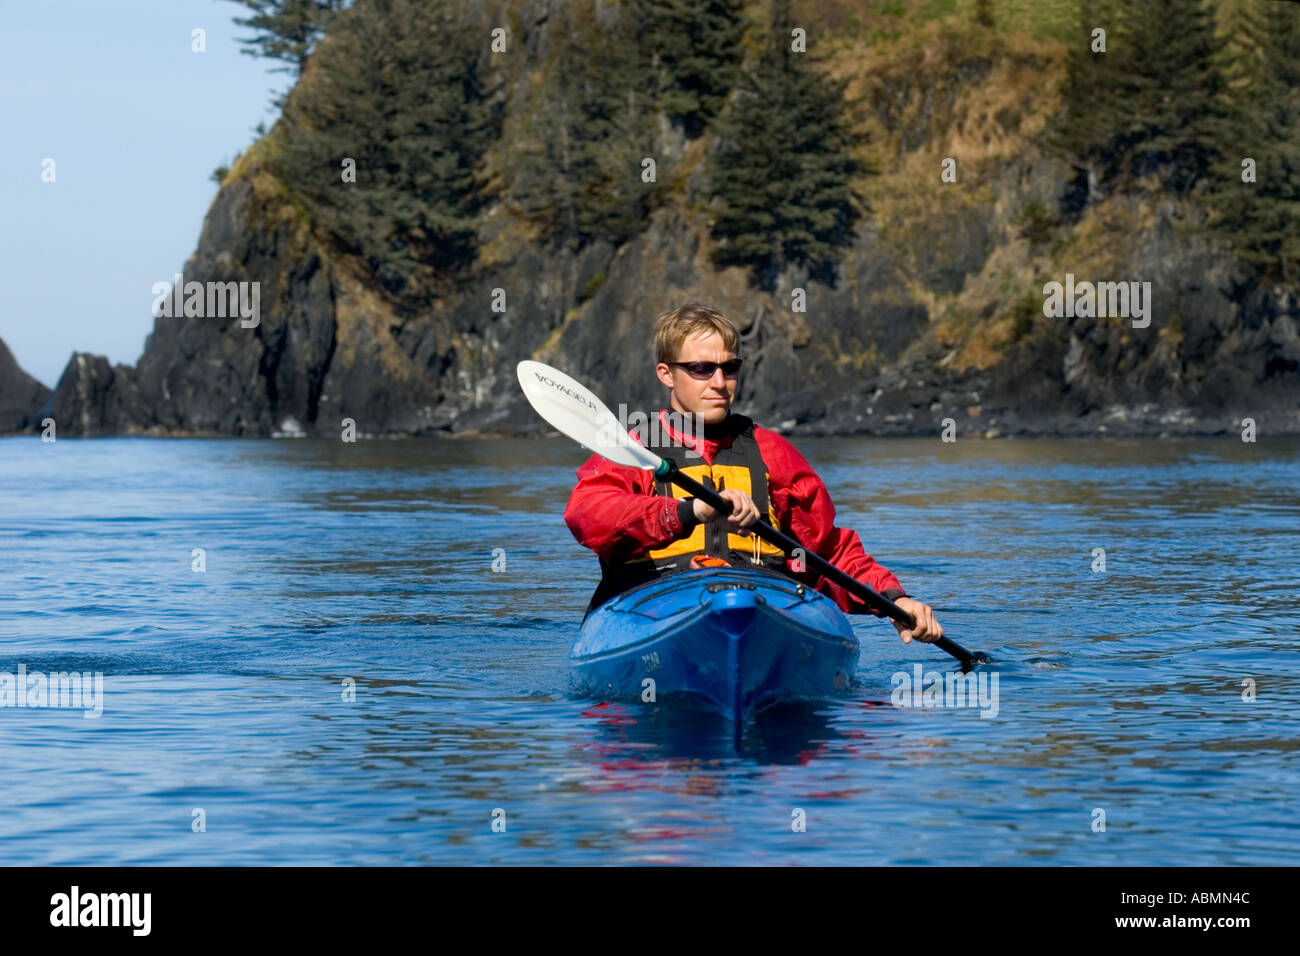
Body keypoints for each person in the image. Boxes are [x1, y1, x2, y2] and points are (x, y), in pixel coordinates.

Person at [563, 302, 942, 645]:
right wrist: (688, 511)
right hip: (654, 608)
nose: (719, 383)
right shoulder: (632, 448)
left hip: (760, 606)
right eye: (701, 369)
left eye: (730, 368)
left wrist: (894, 599)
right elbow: (589, 517)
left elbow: (828, 554)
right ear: (666, 374)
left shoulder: (773, 453)